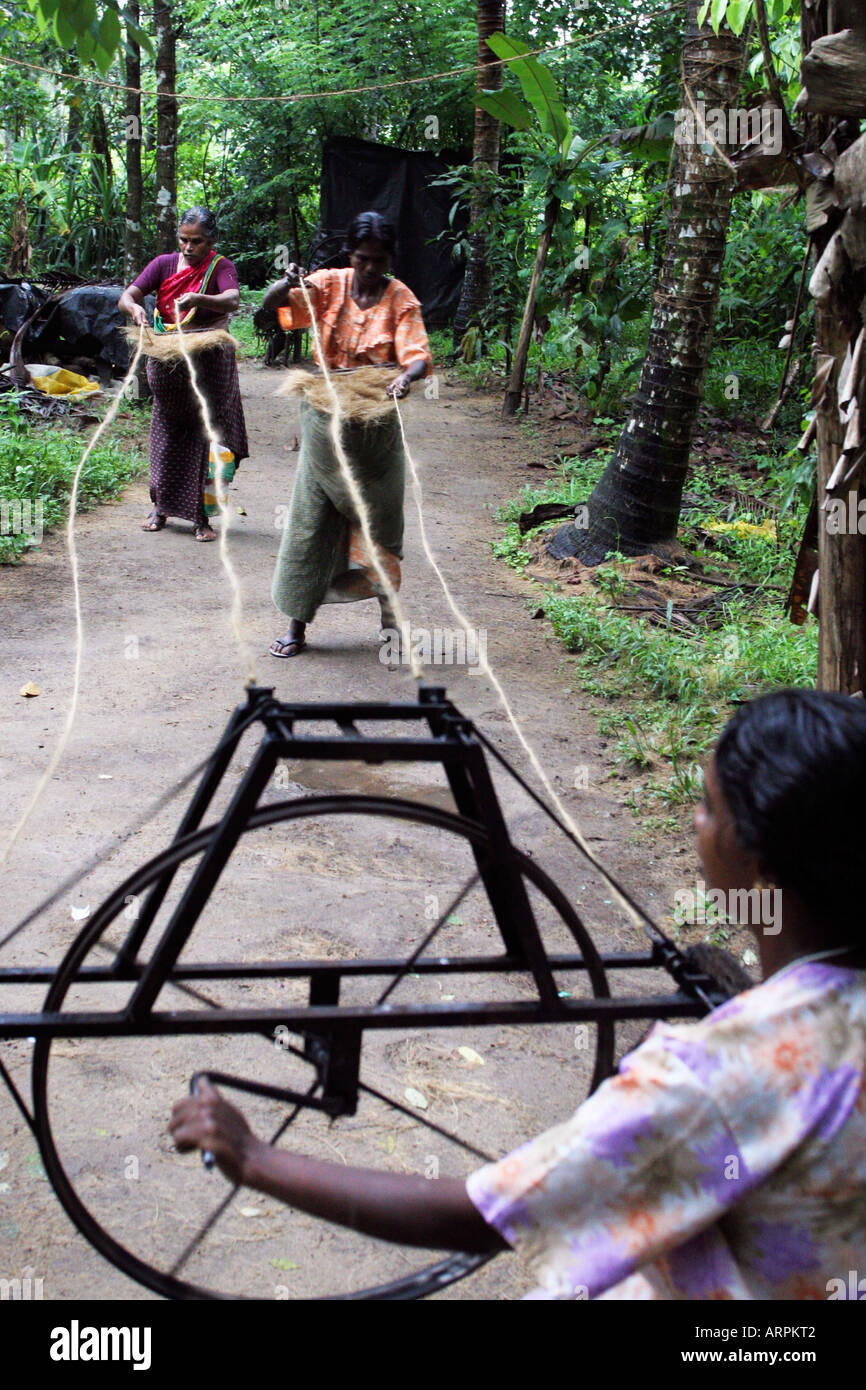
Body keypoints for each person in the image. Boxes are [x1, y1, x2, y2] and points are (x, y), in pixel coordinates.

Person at [170, 688, 866, 1299]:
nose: (695, 823)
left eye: (710, 808)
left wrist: (256, 1158)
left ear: (761, 863)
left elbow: (486, 1213)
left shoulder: (716, 1075)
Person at [261, 211, 432, 658]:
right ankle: (296, 627)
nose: (371, 268)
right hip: (324, 418)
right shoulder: (327, 283)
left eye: (379, 260)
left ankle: (391, 624)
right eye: (362, 258)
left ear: (389, 258)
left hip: (375, 429)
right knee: (311, 523)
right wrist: (287, 283)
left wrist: (406, 379)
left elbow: (417, 356)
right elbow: (278, 310)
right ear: (350, 255)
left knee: (379, 524)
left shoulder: (401, 299)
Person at [118, 208, 249, 542]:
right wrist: (134, 308)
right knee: (167, 431)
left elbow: (232, 300)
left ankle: (201, 518)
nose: (189, 247)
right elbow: (129, 295)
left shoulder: (222, 267)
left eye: (197, 241)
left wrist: (199, 298)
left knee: (207, 437)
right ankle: (160, 508)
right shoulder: (163, 264)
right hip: (167, 359)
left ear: (211, 241)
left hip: (209, 361)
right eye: (183, 240)